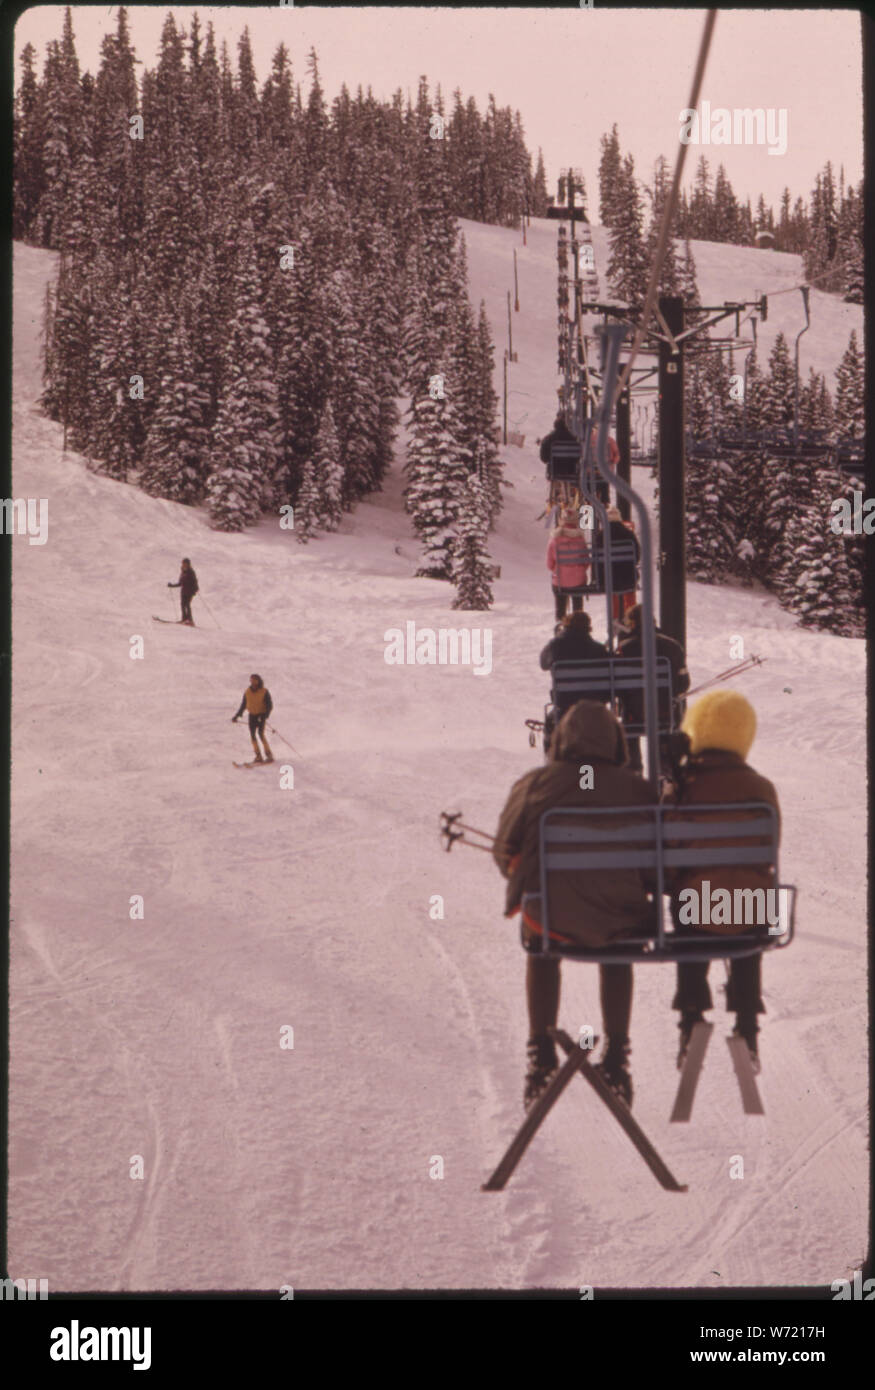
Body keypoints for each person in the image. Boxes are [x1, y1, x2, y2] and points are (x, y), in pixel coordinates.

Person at [493, 700, 659, 1109]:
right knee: (619, 946)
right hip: (620, 924)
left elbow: (503, 852)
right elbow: (658, 868)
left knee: (541, 942)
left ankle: (541, 1055)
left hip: (552, 922)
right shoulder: (639, 790)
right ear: (617, 742)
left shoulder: (536, 784)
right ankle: (618, 1056)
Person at [663, 690, 780, 1073]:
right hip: (750, 912)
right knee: (748, 901)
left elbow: (668, 848)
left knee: (690, 901)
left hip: (697, 912)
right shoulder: (762, 789)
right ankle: (747, 1026)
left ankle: (690, 1018)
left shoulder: (684, 786)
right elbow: (768, 850)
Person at [617, 603, 691, 773]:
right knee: (667, 713)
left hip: (632, 714)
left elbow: (618, 686)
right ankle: (664, 766)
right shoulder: (673, 646)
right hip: (664, 713)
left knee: (628, 718)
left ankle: (633, 766)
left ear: (632, 623)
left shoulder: (624, 648)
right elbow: (683, 684)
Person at [539, 610, 611, 752]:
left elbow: (543, 664)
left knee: (550, 721)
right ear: (588, 628)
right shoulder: (599, 650)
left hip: (565, 705)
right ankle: (588, 773)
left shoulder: (556, 646)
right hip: (594, 706)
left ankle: (552, 761)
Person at [546, 507, 589, 622]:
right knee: (577, 595)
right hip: (578, 582)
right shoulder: (580, 540)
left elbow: (549, 565)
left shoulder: (554, 539)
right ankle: (578, 618)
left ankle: (560, 620)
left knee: (559, 597)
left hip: (560, 582)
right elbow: (586, 562)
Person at [231, 674, 274, 763]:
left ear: (259, 681)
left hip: (261, 715)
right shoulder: (247, 692)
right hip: (252, 716)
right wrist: (237, 715)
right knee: (253, 736)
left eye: (255, 680)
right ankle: (258, 756)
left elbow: (269, 705)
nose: (253, 682)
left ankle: (269, 755)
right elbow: (243, 705)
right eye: (251, 680)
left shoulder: (264, 691)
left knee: (261, 734)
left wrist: (265, 716)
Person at [168, 557, 198, 625]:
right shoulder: (183, 572)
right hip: (184, 591)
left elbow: (195, 581)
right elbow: (180, 583)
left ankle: (190, 620)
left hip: (189, 591)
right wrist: (172, 585)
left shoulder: (191, 572)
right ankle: (184, 619)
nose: (184, 564)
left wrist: (195, 589)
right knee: (182, 605)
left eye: (185, 563)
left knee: (187, 605)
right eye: (183, 563)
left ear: (188, 564)